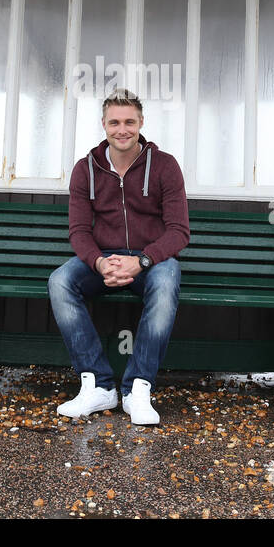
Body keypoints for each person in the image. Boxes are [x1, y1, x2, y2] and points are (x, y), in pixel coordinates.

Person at [47, 88, 190, 425]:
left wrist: (142, 261)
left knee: (168, 279)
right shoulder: (86, 169)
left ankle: (138, 389)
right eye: (114, 122)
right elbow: (79, 231)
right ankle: (97, 386)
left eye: (129, 121)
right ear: (104, 124)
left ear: (141, 123)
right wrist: (98, 262)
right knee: (60, 281)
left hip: (150, 262)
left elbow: (178, 232)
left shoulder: (165, 166)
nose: (122, 129)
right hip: (105, 261)